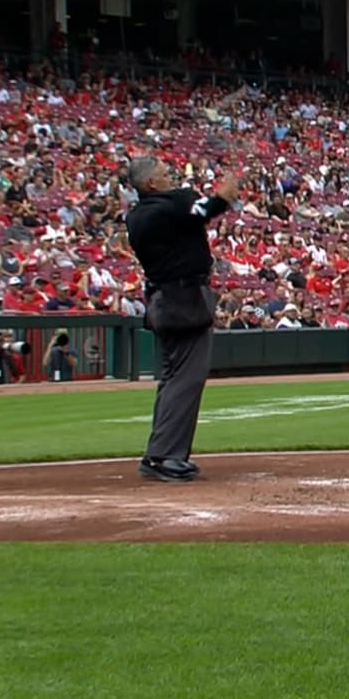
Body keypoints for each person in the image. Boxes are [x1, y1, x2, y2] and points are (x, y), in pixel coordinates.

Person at [125, 157, 240, 482]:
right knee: (186, 377)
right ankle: (163, 456)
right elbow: (203, 210)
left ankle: (161, 453)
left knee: (175, 376)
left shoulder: (137, 216)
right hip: (183, 300)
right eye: (163, 174)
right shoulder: (170, 204)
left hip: (164, 300)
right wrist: (223, 196)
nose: (169, 177)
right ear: (150, 185)